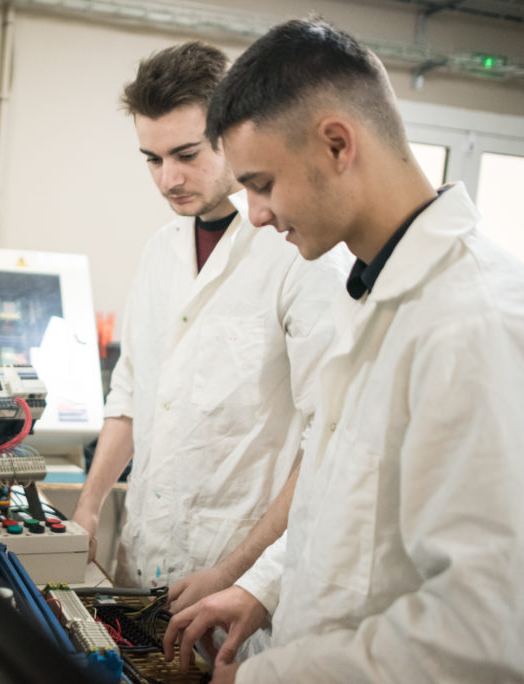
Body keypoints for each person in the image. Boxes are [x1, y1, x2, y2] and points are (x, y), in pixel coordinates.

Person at [162, 18, 524, 683]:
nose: (258, 214)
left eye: (262, 184)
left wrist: (269, 678)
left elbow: (481, 633)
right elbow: (342, 511)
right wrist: (263, 589)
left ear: (336, 143)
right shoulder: (370, 294)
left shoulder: (473, 323)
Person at [71, 42, 350, 605]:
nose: (168, 178)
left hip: (241, 576)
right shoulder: (159, 252)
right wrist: (88, 505)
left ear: (231, 131)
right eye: (152, 159)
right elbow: (130, 392)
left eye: (186, 154)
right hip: (145, 556)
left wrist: (235, 574)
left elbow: (330, 439)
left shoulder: (302, 253)